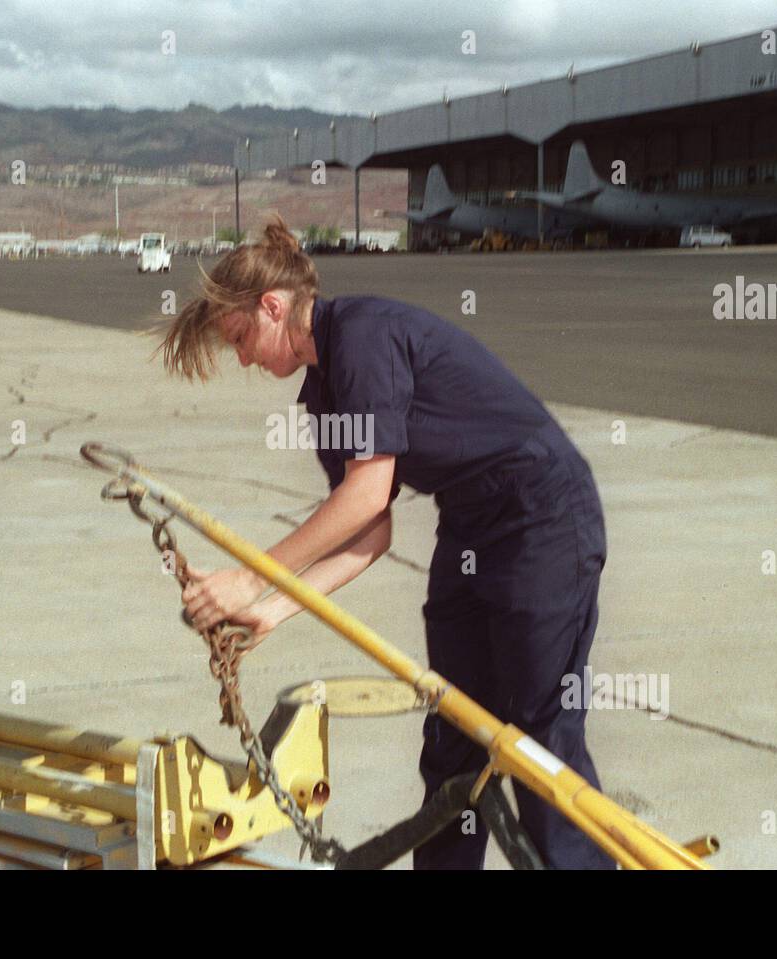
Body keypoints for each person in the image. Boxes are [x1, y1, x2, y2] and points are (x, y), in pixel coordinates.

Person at [155, 214, 615, 869]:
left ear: (273, 305)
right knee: (456, 732)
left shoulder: (363, 335)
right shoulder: (323, 394)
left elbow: (367, 494)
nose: (244, 357)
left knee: (539, 739)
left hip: (542, 512)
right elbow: (369, 532)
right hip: (471, 528)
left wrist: (251, 575)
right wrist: (272, 608)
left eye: (240, 337)